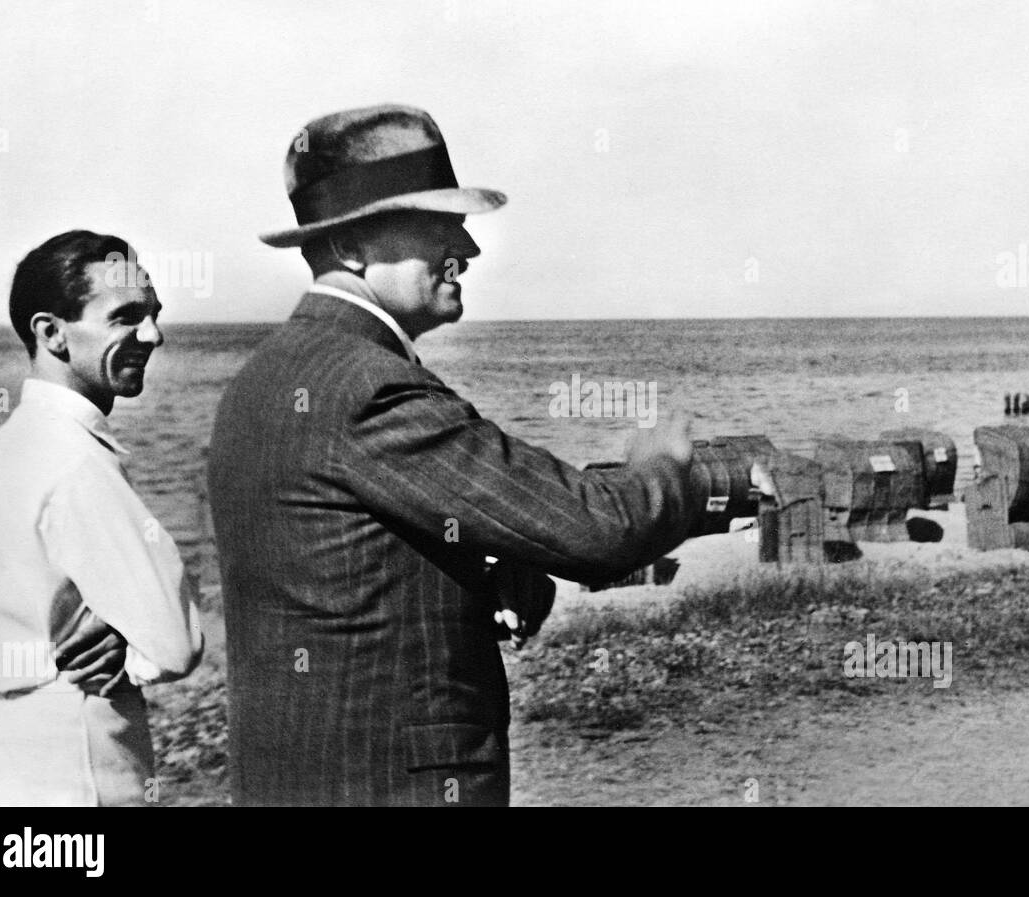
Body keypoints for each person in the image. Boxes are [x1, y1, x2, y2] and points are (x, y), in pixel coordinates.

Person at [208, 104, 703, 806]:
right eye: (441, 225)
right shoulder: (370, 385)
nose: (466, 250)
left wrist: (480, 573)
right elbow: (601, 530)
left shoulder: (262, 381)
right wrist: (660, 467)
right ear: (353, 246)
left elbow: (342, 570)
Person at [0, 231, 204, 806]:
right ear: (51, 333)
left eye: (154, 315)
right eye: (126, 317)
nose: (153, 335)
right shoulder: (75, 460)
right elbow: (174, 641)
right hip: (73, 762)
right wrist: (130, 643)